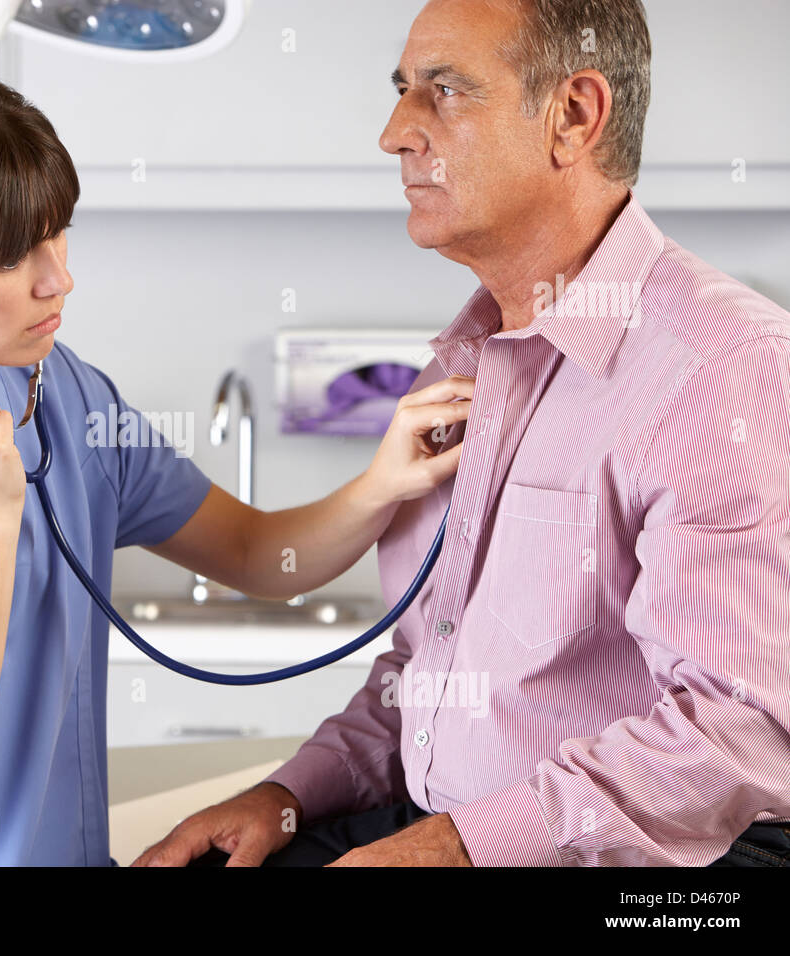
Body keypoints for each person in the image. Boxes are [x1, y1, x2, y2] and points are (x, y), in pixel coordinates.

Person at [0, 67, 473, 865]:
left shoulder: (57, 389)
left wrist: (384, 482)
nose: (56, 277)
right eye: (8, 259)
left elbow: (257, 555)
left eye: (55, 232)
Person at [136, 0, 790, 868]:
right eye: (404, 90)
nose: (395, 133)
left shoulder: (720, 365)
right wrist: (289, 797)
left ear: (573, 117)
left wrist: (454, 850)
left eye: (443, 91)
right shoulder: (460, 374)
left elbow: (736, 730)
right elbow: (428, 680)